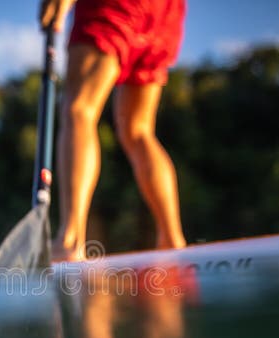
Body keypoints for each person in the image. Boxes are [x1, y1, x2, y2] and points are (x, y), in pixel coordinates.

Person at [39, 0, 188, 261]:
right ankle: (172, 241)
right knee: (138, 130)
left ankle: (70, 240)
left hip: (116, 6)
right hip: (166, 12)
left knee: (79, 110)